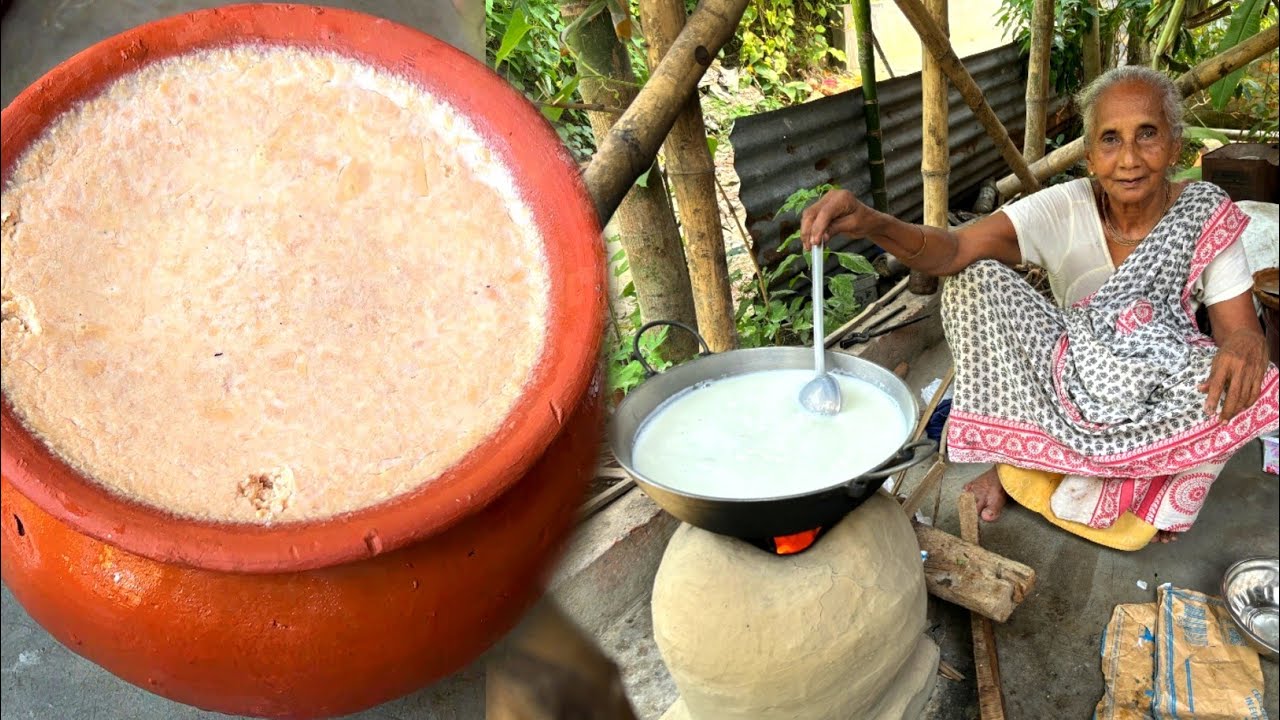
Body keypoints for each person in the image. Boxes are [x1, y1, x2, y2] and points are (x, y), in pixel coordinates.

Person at [800, 65, 1278, 548]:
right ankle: (1043, 468)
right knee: (975, 280)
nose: (1129, 158)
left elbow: (1237, 330)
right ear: (1090, 156)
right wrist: (874, 223)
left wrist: (1244, 343)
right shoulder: (1063, 207)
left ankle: (1118, 482)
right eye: (1110, 140)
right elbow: (954, 250)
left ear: (1176, 146)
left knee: (1256, 385)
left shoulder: (1202, 212)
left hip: (1153, 382)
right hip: (1068, 378)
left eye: (1147, 135)